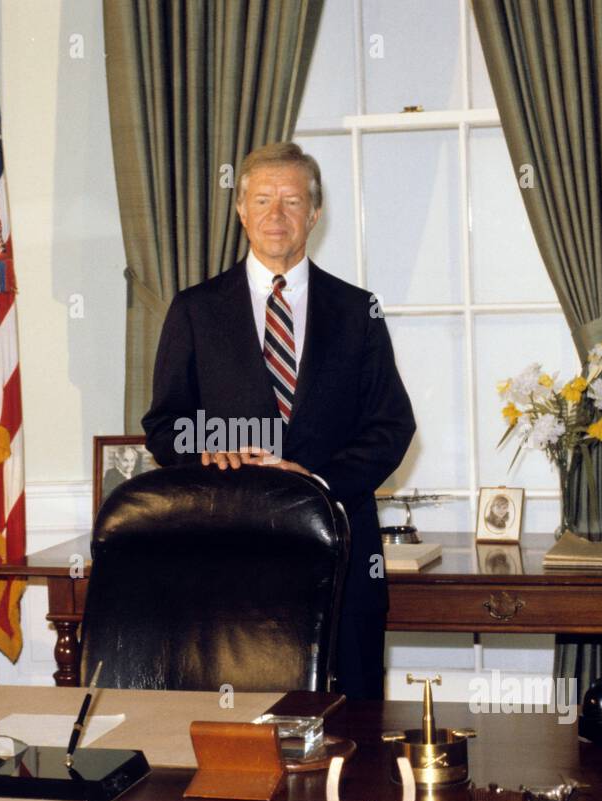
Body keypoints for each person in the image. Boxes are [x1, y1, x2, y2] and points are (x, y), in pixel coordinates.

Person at [142, 142, 416, 700]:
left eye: (292, 201)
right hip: (231, 564)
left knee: (354, 729)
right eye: (262, 200)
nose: (276, 215)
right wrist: (208, 450)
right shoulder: (195, 310)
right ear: (241, 210)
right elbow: (165, 423)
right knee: (243, 740)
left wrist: (318, 482)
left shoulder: (358, 311)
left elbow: (392, 425)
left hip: (341, 558)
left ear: (315, 214)